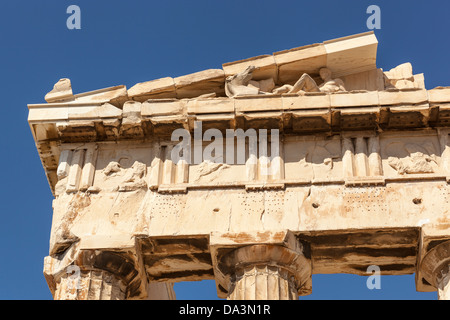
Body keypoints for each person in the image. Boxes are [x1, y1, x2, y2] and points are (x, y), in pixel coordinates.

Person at [273, 67, 346, 94]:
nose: (321, 74)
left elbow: (344, 91)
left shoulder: (336, 80)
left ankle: (289, 95)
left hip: (320, 95)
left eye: (323, 72)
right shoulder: (321, 85)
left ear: (328, 73)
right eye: (320, 73)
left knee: (305, 76)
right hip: (314, 93)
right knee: (287, 86)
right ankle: (273, 94)